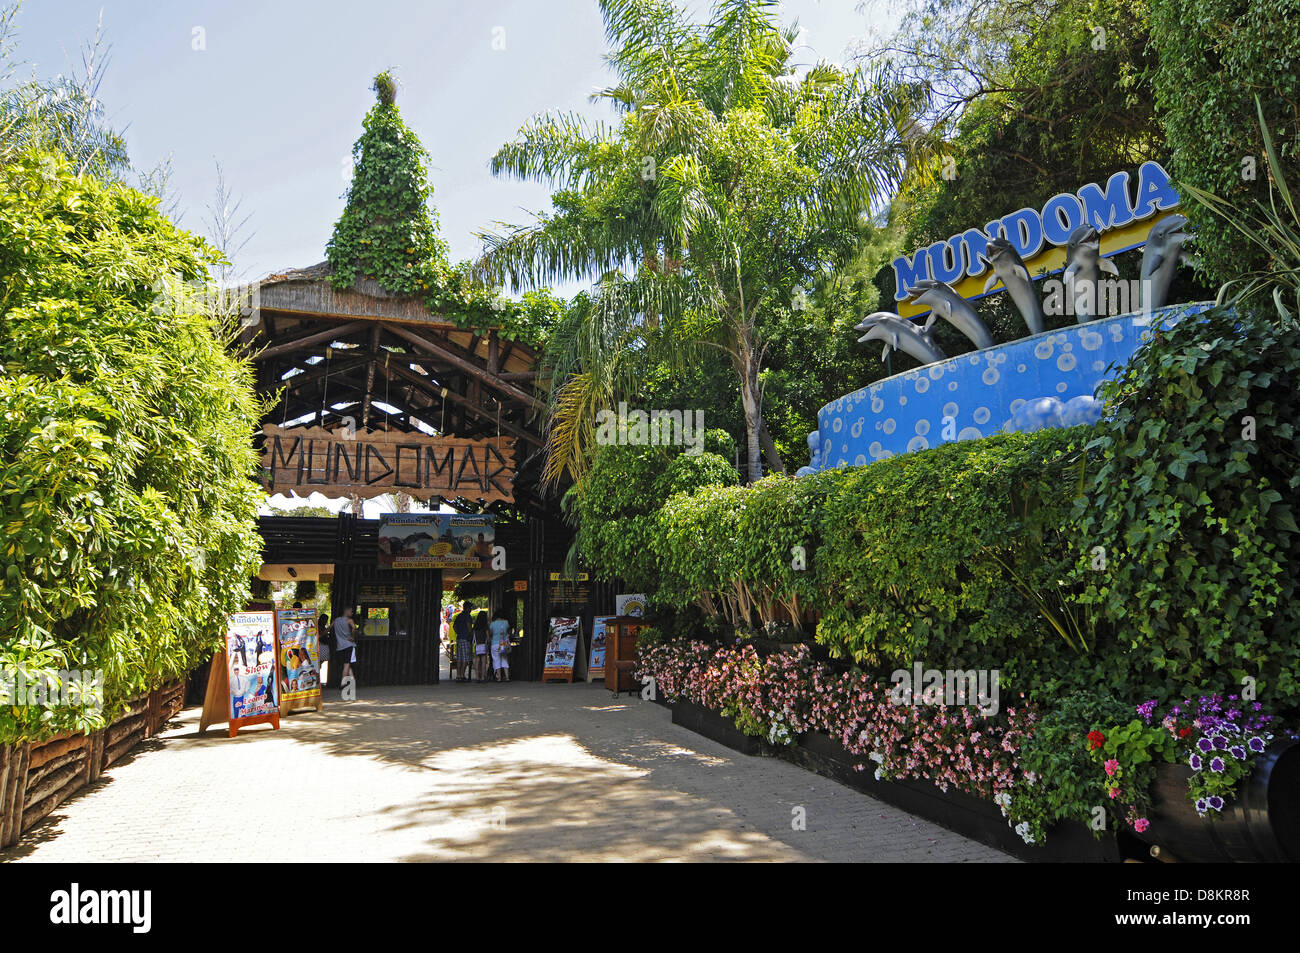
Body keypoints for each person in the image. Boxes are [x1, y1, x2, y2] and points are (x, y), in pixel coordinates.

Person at [332, 607, 357, 690]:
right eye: (351, 611)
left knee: (346, 664)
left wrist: (320, 635)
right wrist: (352, 636)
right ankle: (343, 683)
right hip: (348, 645)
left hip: (340, 646)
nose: (352, 613)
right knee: (347, 665)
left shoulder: (336, 620)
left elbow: (329, 628)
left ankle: (352, 682)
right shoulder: (349, 620)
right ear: (346, 611)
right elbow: (354, 628)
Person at [451, 604, 472, 682]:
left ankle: (458, 675)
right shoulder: (467, 616)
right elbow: (469, 626)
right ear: (468, 608)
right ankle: (462, 675)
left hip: (459, 638)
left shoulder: (459, 616)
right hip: (465, 638)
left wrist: (458, 632)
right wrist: (470, 633)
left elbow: (454, 626)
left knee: (459, 658)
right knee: (465, 658)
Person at [489, 612, 511, 682]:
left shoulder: (492, 624)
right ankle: (507, 677)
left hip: (494, 644)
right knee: (504, 660)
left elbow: (490, 633)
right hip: (503, 644)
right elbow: (508, 631)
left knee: (496, 660)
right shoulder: (506, 622)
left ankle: (499, 678)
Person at [472, 607, 491, 683]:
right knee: (483, 661)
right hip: (483, 644)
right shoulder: (485, 626)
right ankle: (483, 677)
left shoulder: (476, 626)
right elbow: (488, 636)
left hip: (477, 644)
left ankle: (477, 677)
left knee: (477, 661)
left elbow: (472, 634)